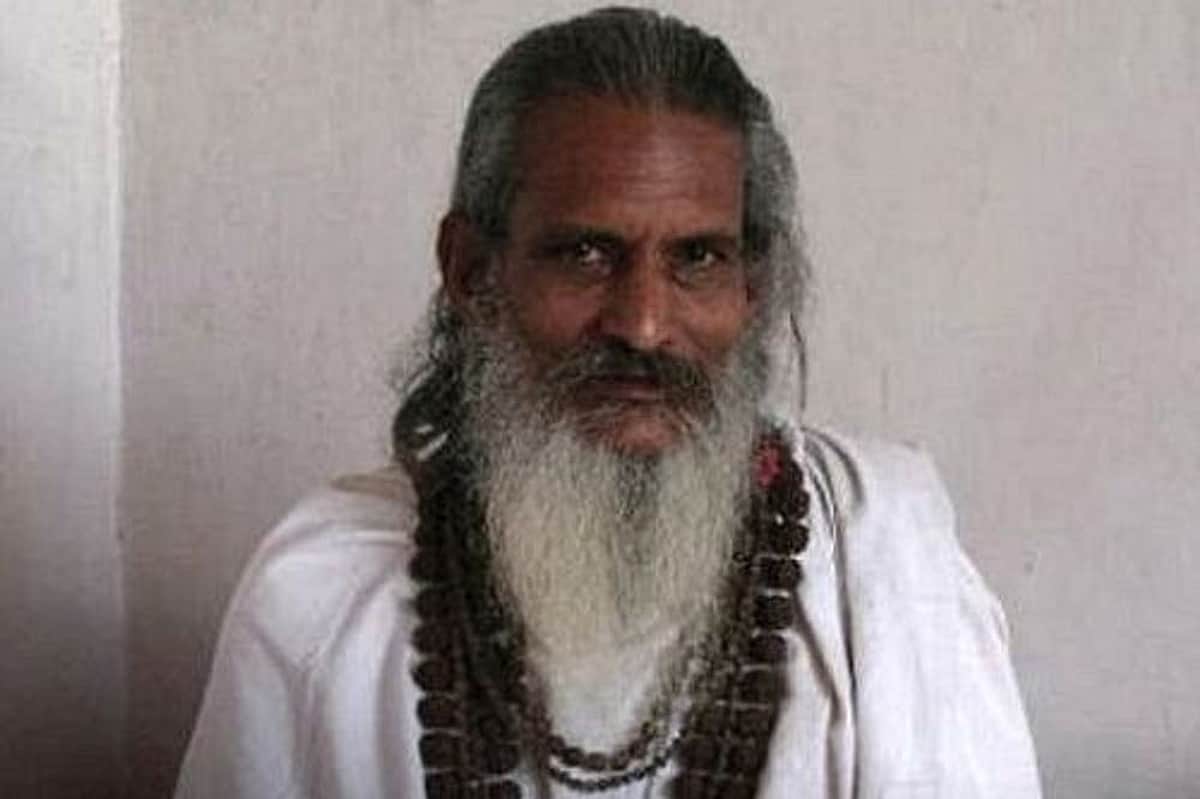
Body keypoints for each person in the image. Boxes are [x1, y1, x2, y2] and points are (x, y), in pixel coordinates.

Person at [174, 7, 1041, 798]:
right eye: (586, 253)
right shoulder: (322, 596)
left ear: (754, 284)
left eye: (698, 258)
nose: (645, 325)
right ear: (472, 272)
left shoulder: (883, 562)